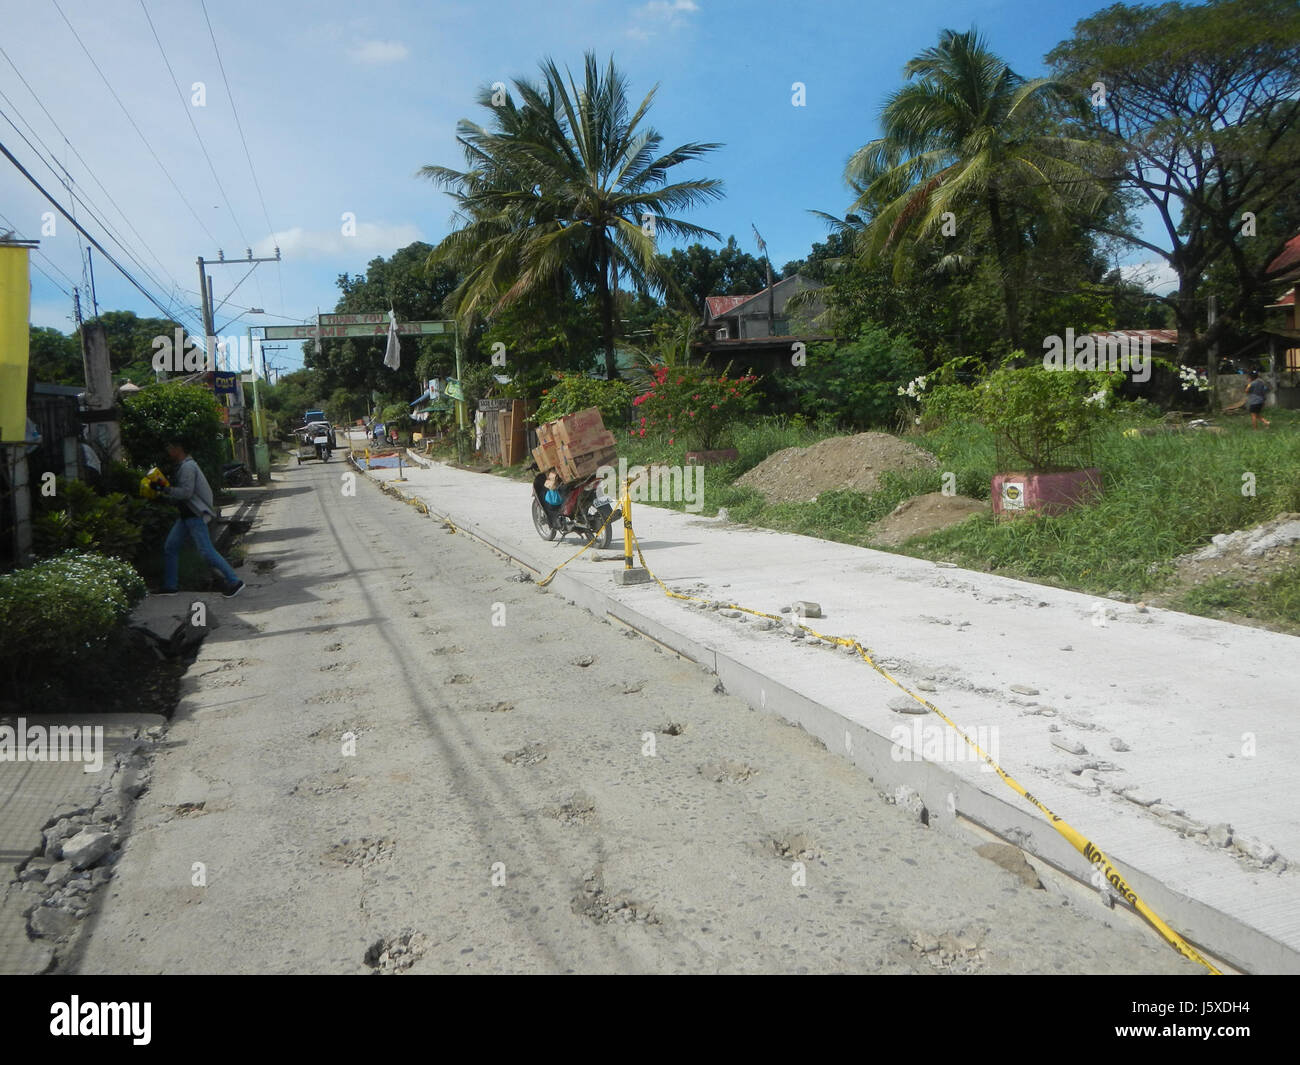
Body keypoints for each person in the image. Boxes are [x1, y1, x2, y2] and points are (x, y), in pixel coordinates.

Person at [156, 438, 244, 597]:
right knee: (170, 547)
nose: (168, 451)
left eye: (170, 447)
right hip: (186, 516)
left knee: (206, 551)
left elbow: (186, 493)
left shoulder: (188, 467)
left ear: (178, 448)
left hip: (194, 515)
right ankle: (170, 586)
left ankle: (234, 581)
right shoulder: (186, 466)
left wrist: (166, 489)